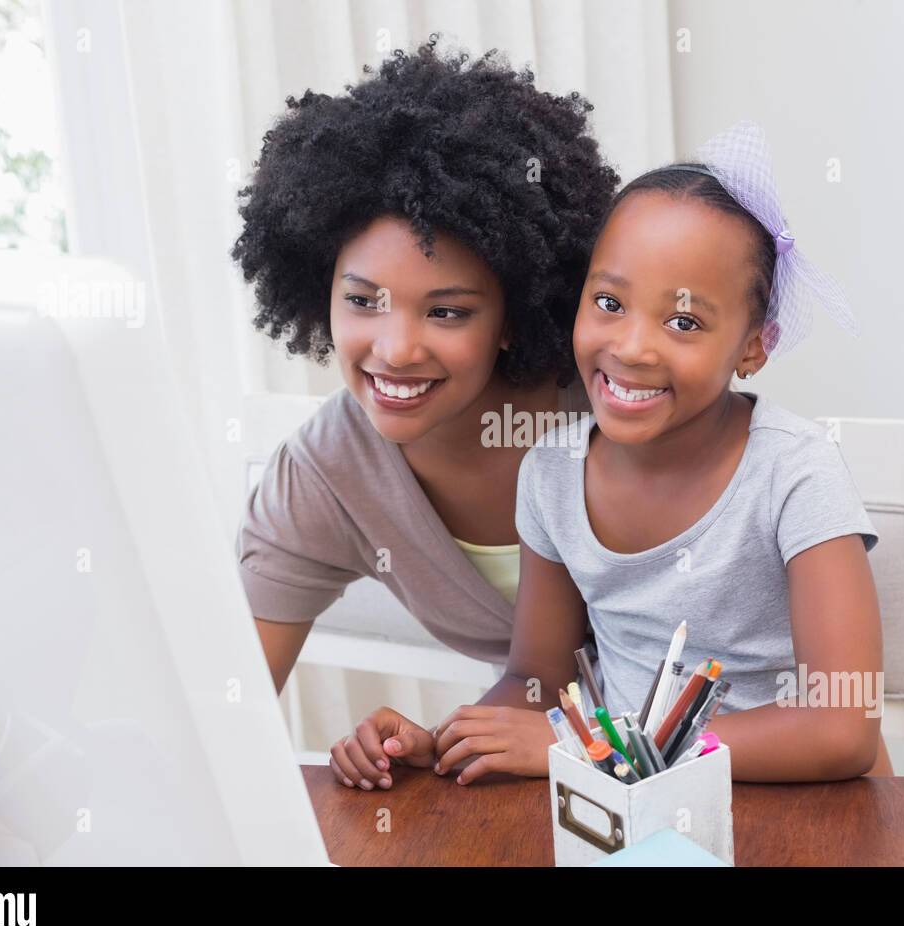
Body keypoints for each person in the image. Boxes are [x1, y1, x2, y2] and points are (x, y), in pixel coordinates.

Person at [431, 122, 895, 783]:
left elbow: (840, 731)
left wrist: (612, 753)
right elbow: (536, 679)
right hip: (639, 809)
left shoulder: (797, 474)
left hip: (804, 807)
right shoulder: (552, 476)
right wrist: (450, 744)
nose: (633, 347)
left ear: (754, 346)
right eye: (610, 302)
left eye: (683, 322)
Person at [229, 36, 619, 791]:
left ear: (513, 313)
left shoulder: (615, 406)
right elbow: (220, 706)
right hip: (571, 795)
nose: (396, 350)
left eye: (446, 311)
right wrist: (439, 746)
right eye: (362, 300)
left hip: (738, 769)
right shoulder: (325, 479)